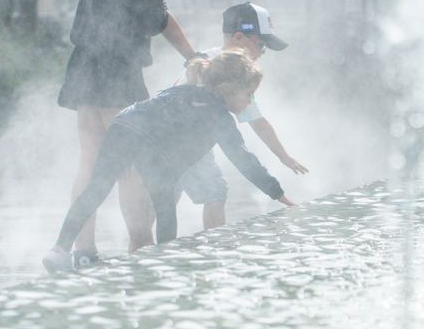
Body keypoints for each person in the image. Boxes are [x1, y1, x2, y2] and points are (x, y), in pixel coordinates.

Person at [43, 50, 297, 273]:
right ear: (228, 89)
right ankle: (165, 263)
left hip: (123, 125)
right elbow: (245, 160)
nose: (251, 101)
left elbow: (149, 111)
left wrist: (127, 151)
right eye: (249, 94)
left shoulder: (184, 89)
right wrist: (278, 193)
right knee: (165, 213)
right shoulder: (221, 119)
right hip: (154, 151)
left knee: (94, 192)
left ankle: (60, 250)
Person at [57, 0, 197, 264]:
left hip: (84, 66)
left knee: (91, 161)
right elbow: (159, 19)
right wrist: (193, 57)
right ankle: (141, 245)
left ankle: (84, 251)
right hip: (115, 68)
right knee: (131, 162)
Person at [175, 2, 308, 230]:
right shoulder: (208, 64)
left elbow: (258, 121)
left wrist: (283, 156)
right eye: (261, 46)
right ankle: (215, 251)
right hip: (179, 139)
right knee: (214, 191)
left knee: (182, 194)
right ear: (238, 38)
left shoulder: (237, 72)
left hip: (183, 142)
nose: (262, 54)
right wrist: (276, 192)